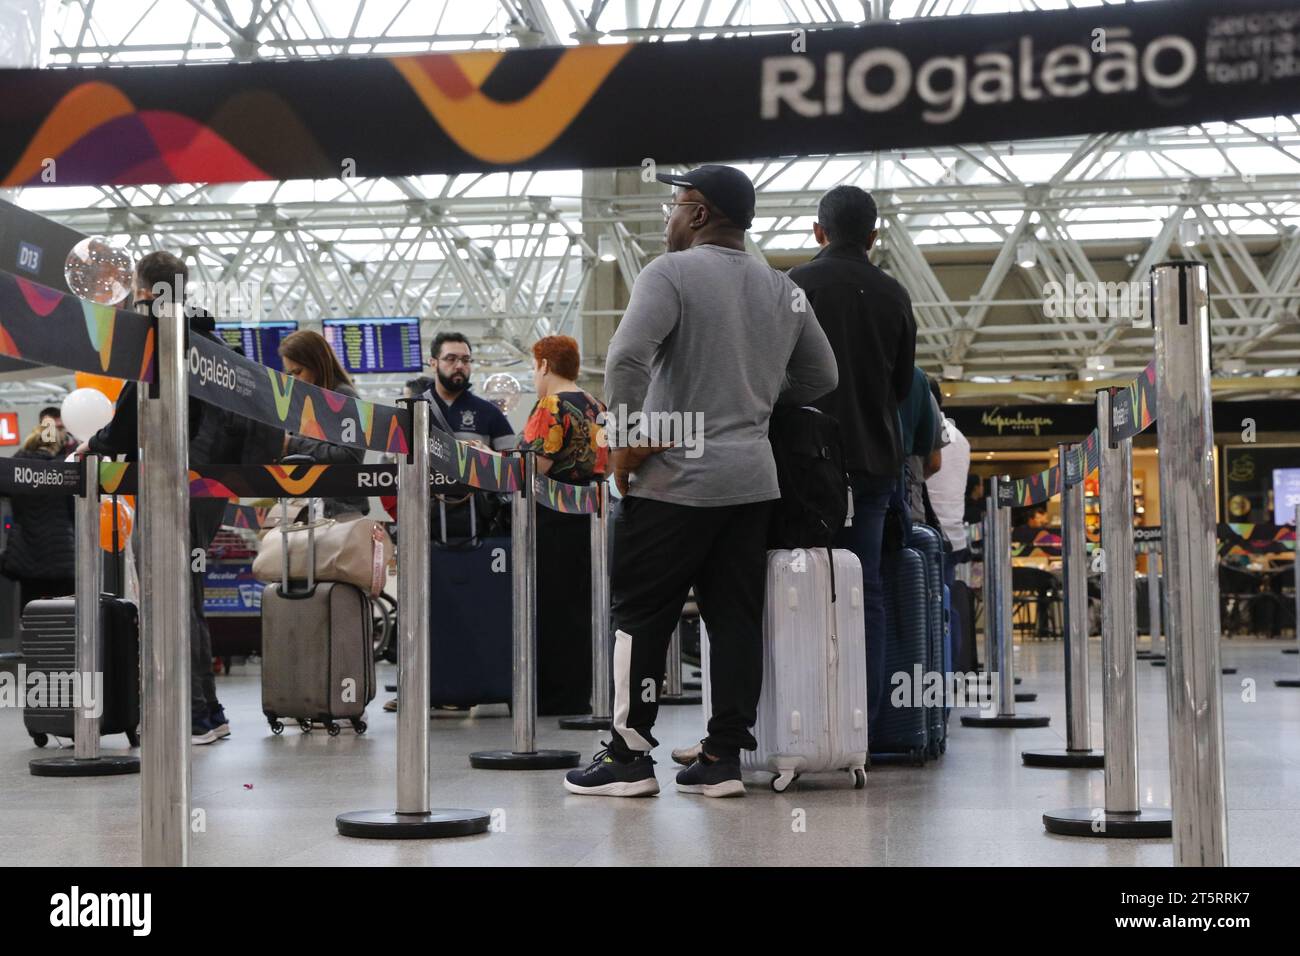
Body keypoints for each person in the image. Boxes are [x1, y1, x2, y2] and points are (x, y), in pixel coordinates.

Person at [564, 164, 838, 799]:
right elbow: (820, 377)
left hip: (674, 479)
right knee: (734, 618)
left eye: (674, 208)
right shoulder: (785, 289)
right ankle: (721, 759)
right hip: (751, 482)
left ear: (697, 214)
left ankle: (629, 756)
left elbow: (627, 355)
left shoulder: (671, 273)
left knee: (640, 615)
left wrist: (626, 441)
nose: (667, 220)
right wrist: (756, 394)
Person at [78, 251, 283, 746]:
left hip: (175, 482)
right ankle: (208, 712)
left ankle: (191, 714)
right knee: (185, 597)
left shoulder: (161, 335)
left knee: (165, 597)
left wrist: (97, 445)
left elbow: (130, 416)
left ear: (143, 290)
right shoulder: (209, 340)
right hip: (213, 485)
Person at [788, 184, 916, 729]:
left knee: (796, 587)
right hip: (873, 463)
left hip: (802, 465)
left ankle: (802, 718)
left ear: (818, 232)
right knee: (864, 588)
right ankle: (861, 723)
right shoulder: (893, 294)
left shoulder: (794, 287)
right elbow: (905, 385)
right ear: (873, 235)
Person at [519, 335, 607, 716]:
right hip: (588, 517)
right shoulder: (596, 404)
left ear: (543, 365)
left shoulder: (550, 405)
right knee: (579, 608)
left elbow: (535, 467)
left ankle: (551, 696)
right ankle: (578, 692)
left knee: (549, 607)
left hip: (551, 516)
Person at [277, 329, 368, 519]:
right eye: (290, 374)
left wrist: (291, 444)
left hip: (340, 513)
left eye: (298, 371)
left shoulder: (343, 398)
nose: (294, 380)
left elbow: (350, 456)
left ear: (317, 364)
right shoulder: (304, 402)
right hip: (308, 507)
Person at [925, 378, 973, 672]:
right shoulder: (961, 437)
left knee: (930, 607)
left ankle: (933, 674)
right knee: (946, 604)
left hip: (931, 533)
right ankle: (948, 671)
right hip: (953, 534)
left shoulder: (929, 432)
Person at [3, 419, 76, 610]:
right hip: (61, 553)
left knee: (30, 609)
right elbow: (74, 513)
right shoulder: (65, 470)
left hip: (27, 554)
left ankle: (30, 636)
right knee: (63, 611)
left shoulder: (16, 469)